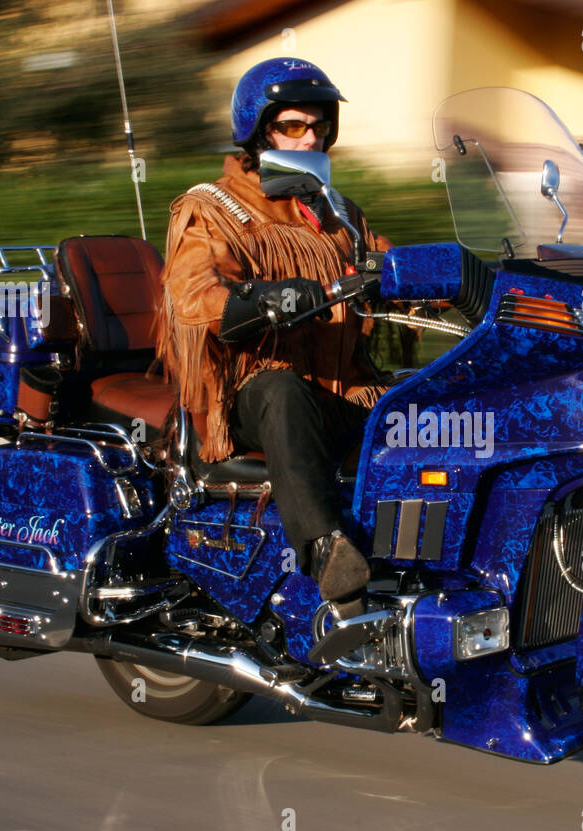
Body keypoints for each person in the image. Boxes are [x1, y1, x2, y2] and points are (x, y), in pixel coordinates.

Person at [154, 57, 395, 624]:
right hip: (251, 394)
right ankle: (327, 554)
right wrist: (260, 300)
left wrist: (452, 279)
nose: (309, 137)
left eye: (317, 126)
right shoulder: (212, 207)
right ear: (260, 131)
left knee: (424, 402)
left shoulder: (335, 210)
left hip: (342, 390)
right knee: (283, 389)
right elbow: (192, 296)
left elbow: (390, 265)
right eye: (292, 126)